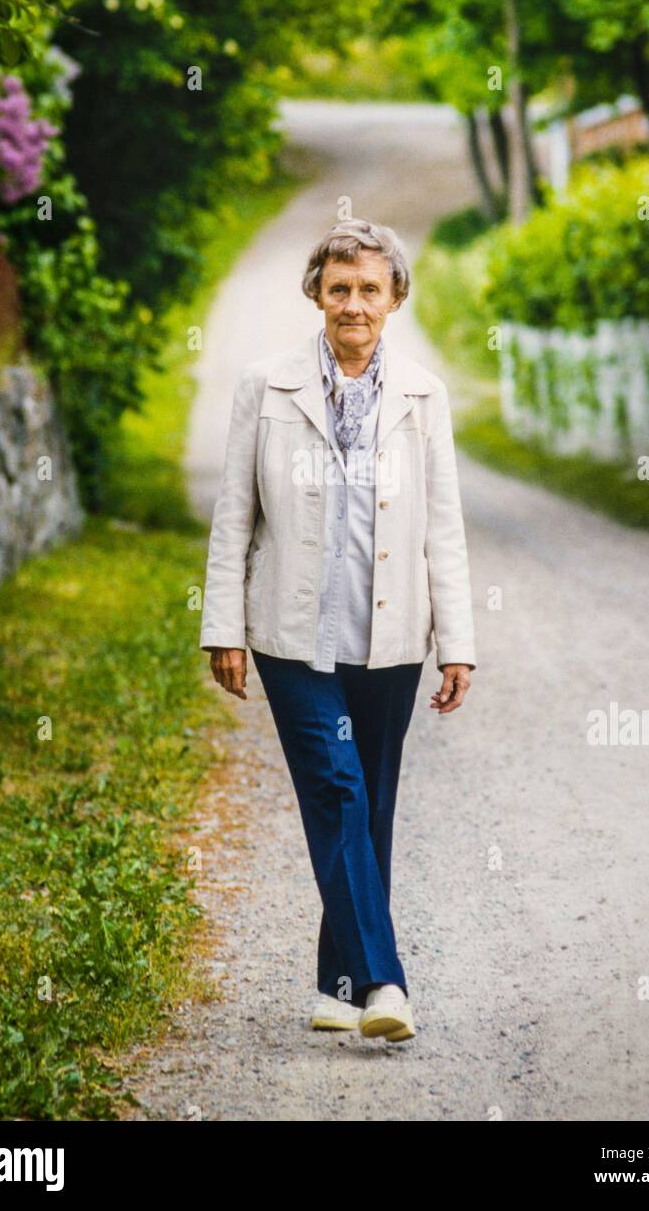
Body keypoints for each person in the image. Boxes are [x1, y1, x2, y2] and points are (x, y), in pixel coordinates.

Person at [200, 219, 476, 1042]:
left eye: (369, 289)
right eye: (339, 288)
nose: (354, 303)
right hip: (292, 637)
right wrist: (223, 626)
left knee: (371, 805)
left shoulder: (424, 396)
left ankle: (338, 988)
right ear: (317, 294)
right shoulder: (267, 386)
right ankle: (385, 985)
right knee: (337, 789)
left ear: (395, 298)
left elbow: (444, 526)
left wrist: (457, 643)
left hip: (390, 638)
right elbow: (233, 513)